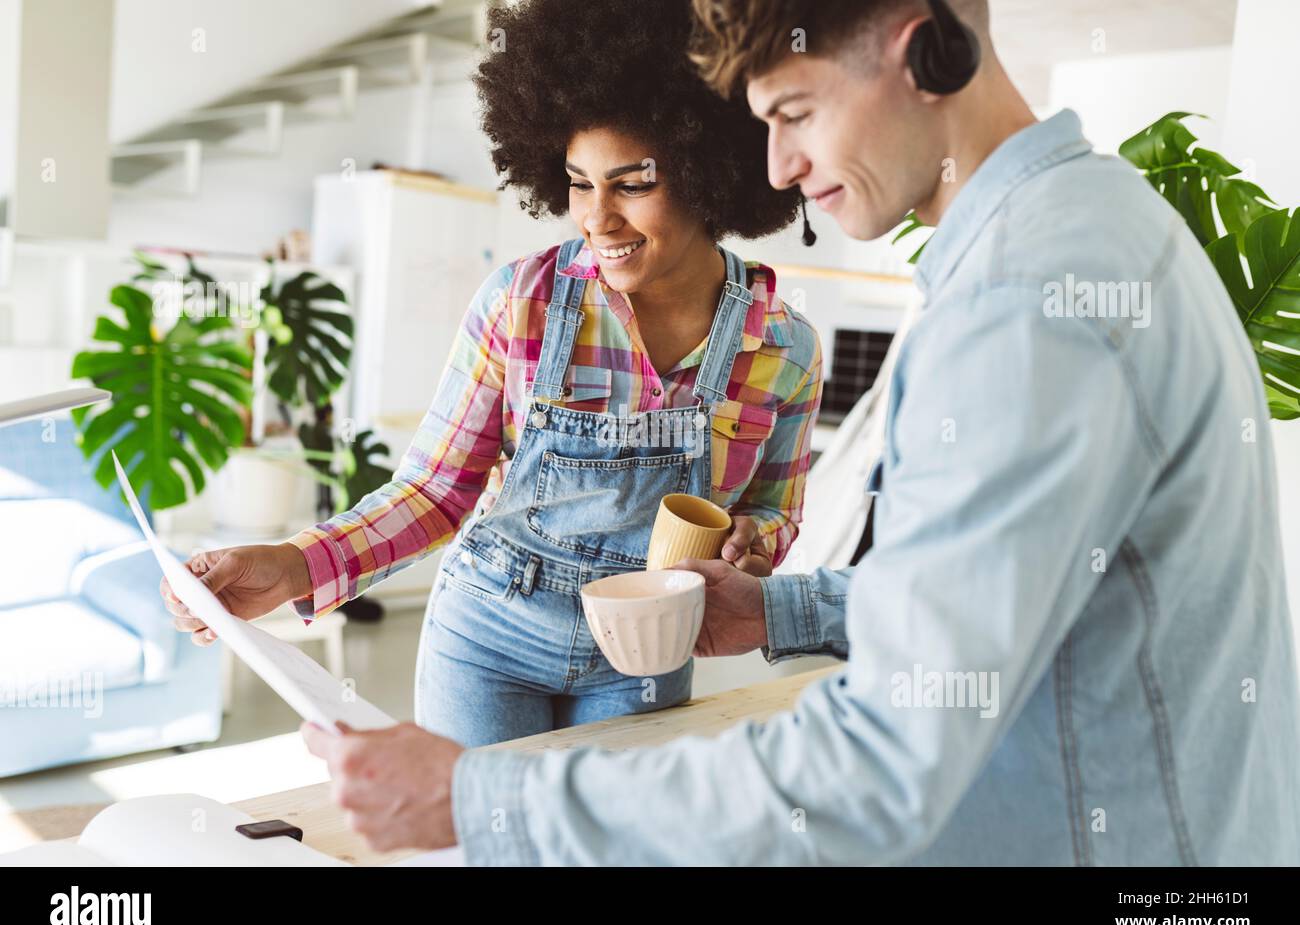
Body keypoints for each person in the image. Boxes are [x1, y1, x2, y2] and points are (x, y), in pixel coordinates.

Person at [303, 0, 1300, 865]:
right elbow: (992, 600)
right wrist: (780, 611)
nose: (777, 162)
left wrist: (474, 798)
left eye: (792, 111)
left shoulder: (1023, 299)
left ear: (926, 56)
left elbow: (882, 760)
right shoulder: (1087, 225)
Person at [161, 0, 823, 748]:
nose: (596, 218)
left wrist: (752, 541)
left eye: (633, 184)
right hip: (489, 643)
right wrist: (290, 565)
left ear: (713, 171)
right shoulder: (523, 303)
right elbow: (436, 491)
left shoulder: (784, 345)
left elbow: (776, 508)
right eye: (578, 182)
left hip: (644, 657)